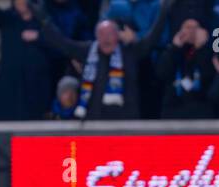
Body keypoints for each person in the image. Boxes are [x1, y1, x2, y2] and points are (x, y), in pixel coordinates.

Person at [32, 0, 175, 120]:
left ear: (117, 36)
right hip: (94, 123)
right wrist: (43, 19)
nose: (106, 39)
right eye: (102, 35)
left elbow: (152, 38)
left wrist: (163, 10)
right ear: (97, 37)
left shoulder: (130, 52)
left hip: (126, 124)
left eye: (110, 34)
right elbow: (62, 43)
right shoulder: (88, 51)